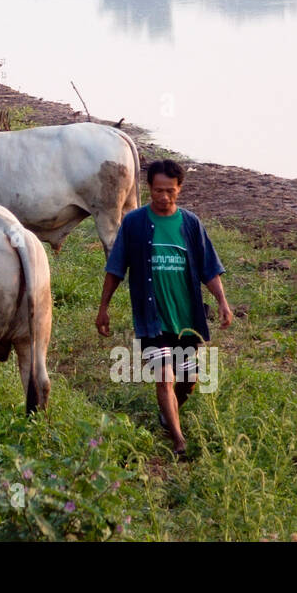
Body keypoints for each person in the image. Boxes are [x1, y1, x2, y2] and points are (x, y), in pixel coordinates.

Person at [95, 158, 233, 456]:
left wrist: (222, 302)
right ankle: (179, 440)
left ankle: (166, 414)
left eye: (170, 191)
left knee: (189, 380)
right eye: (158, 190)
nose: (163, 196)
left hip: (186, 319)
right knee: (164, 377)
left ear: (179, 189)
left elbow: (209, 269)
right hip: (152, 320)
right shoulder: (134, 223)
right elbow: (116, 268)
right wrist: (103, 307)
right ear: (149, 188)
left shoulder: (190, 224)